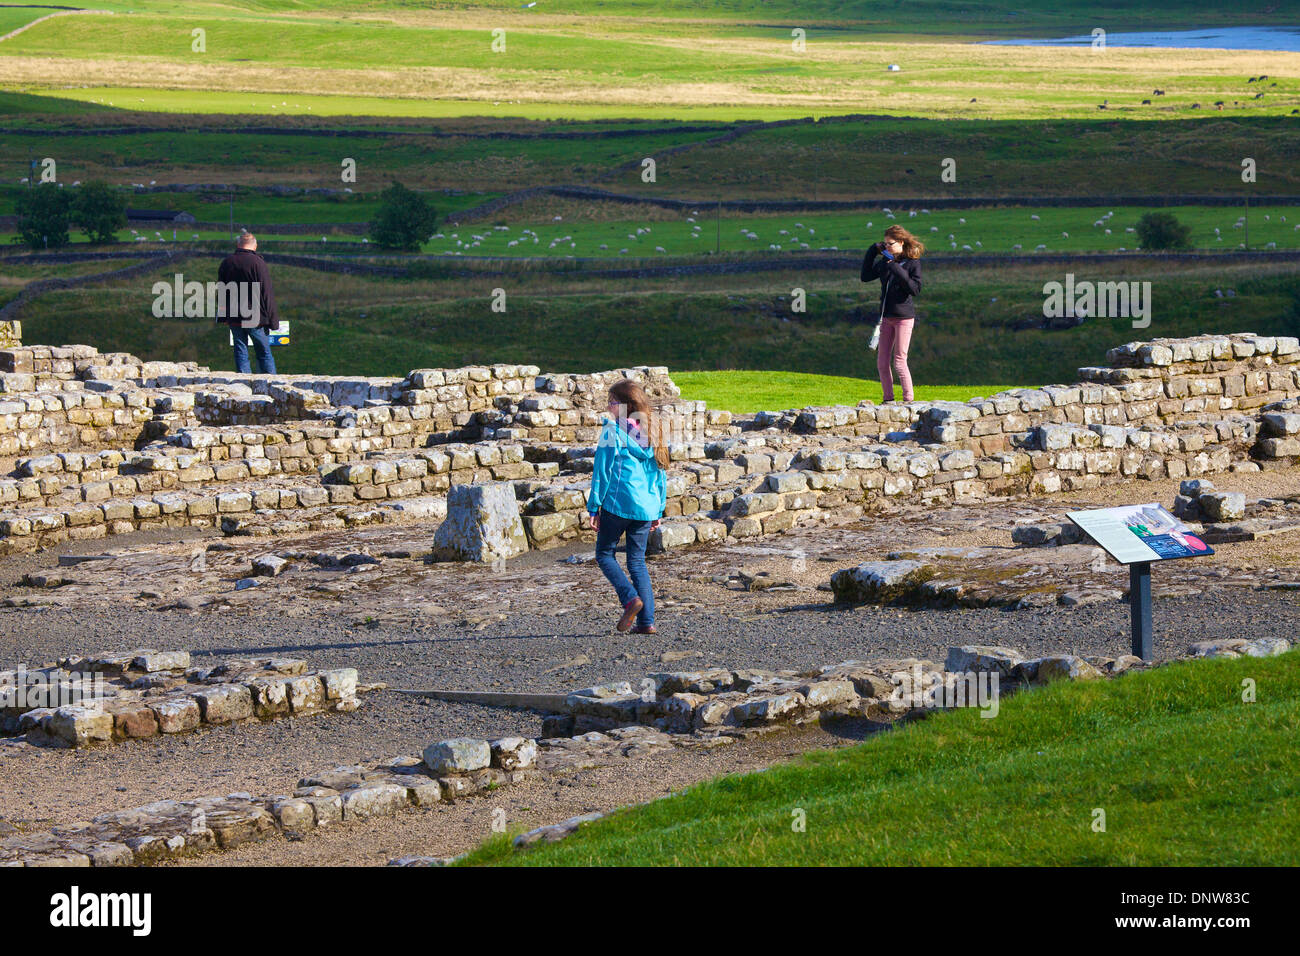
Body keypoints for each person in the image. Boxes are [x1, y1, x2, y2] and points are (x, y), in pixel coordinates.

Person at [586, 379, 669, 634]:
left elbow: (602, 471)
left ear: (623, 406)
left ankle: (630, 599)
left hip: (618, 504)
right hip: (645, 507)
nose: (608, 407)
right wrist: (658, 510)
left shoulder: (612, 431)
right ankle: (646, 622)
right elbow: (660, 476)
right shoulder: (653, 430)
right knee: (637, 562)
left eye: (611, 402)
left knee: (604, 555)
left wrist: (594, 506)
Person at [861, 224, 924, 402]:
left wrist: (894, 266)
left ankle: (908, 400)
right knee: (882, 363)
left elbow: (914, 289)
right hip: (886, 318)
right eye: (885, 244)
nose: (887, 247)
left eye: (890, 243)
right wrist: (872, 250)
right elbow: (865, 276)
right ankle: (888, 399)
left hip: (904, 318)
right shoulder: (885, 262)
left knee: (899, 361)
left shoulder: (913, 263)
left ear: (901, 242)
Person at [217, 232, 279, 374]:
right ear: (254, 245)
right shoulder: (258, 263)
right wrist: (273, 321)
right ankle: (271, 382)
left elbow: (221, 291)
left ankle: (244, 383)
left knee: (240, 352)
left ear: (238, 245)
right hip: (255, 316)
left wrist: (223, 316)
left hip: (234, 315)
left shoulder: (227, 262)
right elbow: (266, 293)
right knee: (263, 353)